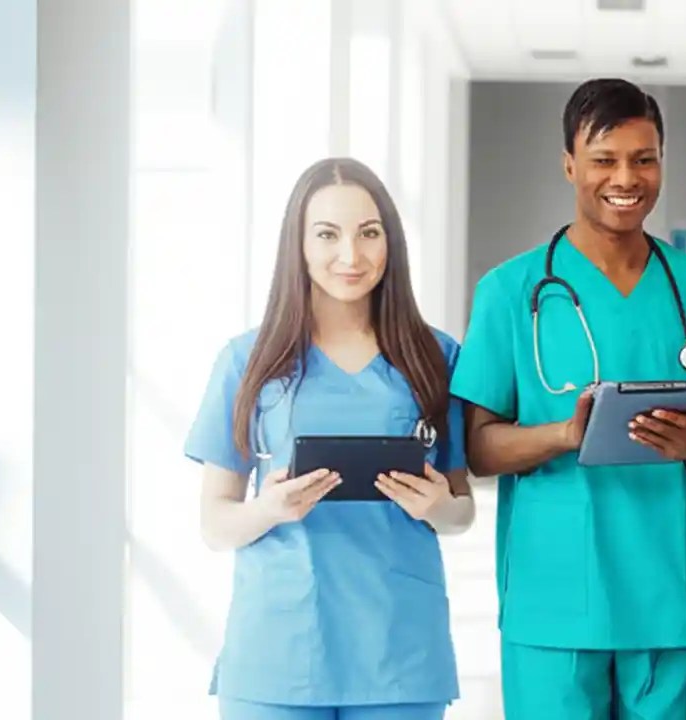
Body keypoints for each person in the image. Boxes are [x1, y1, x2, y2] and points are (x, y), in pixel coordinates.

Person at [450, 78, 686, 718]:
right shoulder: (511, 292)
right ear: (570, 164)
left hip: (668, 593)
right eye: (604, 159)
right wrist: (562, 434)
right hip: (555, 599)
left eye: (644, 157)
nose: (625, 177)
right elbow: (477, 448)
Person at [183, 157, 475, 720]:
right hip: (279, 653)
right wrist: (268, 508)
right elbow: (215, 525)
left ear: (391, 242)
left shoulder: (434, 358)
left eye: (369, 233)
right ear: (298, 243)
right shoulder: (247, 362)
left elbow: (461, 513)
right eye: (327, 235)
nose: (351, 255)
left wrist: (440, 507)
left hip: (399, 652)